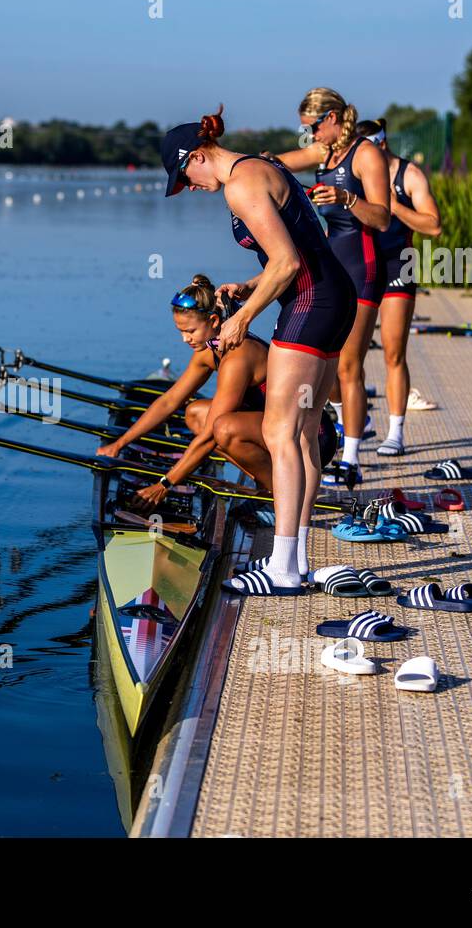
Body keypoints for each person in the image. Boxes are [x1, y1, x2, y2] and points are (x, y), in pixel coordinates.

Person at [161, 106, 356, 595]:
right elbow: (298, 249)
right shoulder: (260, 167)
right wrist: (251, 286)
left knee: (279, 431)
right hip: (332, 295)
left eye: (186, 177)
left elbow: (288, 263)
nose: (191, 188)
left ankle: (283, 569)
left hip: (311, 301)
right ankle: (299, 559)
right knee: (305, 432)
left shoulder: (240, 183)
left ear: (198, 156)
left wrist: (241, 321)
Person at [270, 88, 390, 488]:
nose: (310, 136)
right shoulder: (324, 154)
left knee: (351, 365)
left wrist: (346, 197)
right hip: (332, 267)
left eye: (314, 128)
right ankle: (347, 429)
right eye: (305, 130)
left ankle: (352, 459)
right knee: (329, 365)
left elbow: (383, 218)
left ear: (335, 118)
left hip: (363, 264)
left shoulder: (366, 155)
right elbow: (271, 164)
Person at [96, 275, 274, 496]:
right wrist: (119, 443)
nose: (185, 339)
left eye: (190, 331)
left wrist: (164, 485)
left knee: (222, 429)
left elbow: (209, 437)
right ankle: (265, 478)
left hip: (304, 437)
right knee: (194, 413)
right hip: (266, 428)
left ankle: (272, 491)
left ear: (214, 321)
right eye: (181, 331)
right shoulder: (209, 351)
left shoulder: (238, 356)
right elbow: (169, 401)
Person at [354, 119, 443, 456]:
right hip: (361, 265)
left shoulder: (410, 175)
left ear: (381, 144)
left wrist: (395, 206)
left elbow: (433, 227)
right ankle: (355, 422)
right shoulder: (355, 171)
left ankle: (396, 433)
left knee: (393, 352)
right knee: (350, 358)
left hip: (397, 264)